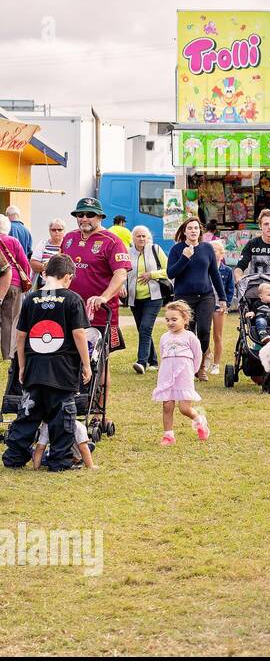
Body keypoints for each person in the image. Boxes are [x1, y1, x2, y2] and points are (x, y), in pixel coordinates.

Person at [1, 254, 90, 472]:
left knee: (28, 415)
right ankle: (59, 461)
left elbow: (20, 336)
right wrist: (87, 364)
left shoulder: (31, 298)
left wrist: (22, 365)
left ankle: (13, 457)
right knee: (62, 418)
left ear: (45, 274)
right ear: (68, 277)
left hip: (34, 368)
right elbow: (78, 333)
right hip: (63, 370)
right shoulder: (72, 299)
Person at [61, 197, 130, 345]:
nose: (84, 218)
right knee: (69, 356)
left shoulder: (112, 241)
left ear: (100, 217)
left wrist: (104, 297)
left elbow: (121, 273)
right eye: (80, 215)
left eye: (90, 214)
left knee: (100, 359)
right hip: (70, 309)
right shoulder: (68, 238)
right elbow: (61, 269)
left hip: (100, 311)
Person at [166, 216, 226, 380]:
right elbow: (171, 273)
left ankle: (201, 367)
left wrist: (222, 297)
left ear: (200, 231)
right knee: (188, 332)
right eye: (190, 228)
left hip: (205, 296)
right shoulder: (177, 250)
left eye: (196, 228)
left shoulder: (207, 248)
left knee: (204, 331)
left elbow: (214, 274)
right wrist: (185, 257)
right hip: (183, 298)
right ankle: (188, 366)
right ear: (184, 231)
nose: (193, 231)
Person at [153, 301, 210, 446]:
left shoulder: (190, 337)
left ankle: (199, 420)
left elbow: (198, 355)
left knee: (184, 408)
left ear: (185, 319)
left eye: (174, 319)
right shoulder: (164, 337)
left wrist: (193, 371)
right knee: (167, 406)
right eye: (167, 320)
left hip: (184, 375)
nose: (170, 323)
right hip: (167, 374)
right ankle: (168, 435)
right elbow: (162, 355)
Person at [125, 225, 169, 374]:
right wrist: (121, 287)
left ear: (148, 237)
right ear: (133, 238)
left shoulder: (155, 249)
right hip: (134, 298)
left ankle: (141, 362)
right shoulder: (127, 252)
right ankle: (154, 361)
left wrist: (152, 275)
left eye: (144, 236)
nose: (141, 239)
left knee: (145, 328)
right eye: (138, 236)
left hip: (154, 297)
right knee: (142, 330)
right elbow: (121, 271)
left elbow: (169, 270)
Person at [0, 215, 33, 358]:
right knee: (11, 319)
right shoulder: (12, 241)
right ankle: (7, 354)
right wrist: (26, 280)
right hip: (13, 283)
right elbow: (24, 263)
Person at [207, 240, 235, 376]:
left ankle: (216, 363)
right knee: (203, 333)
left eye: (215, 251)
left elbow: (230, 289)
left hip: (220, 306)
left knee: (217, 335)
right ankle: (206, 357)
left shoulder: (227, 270)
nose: (212, 253)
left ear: (222, 254)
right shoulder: (204, 267)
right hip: (205, 304)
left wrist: (227, 304)